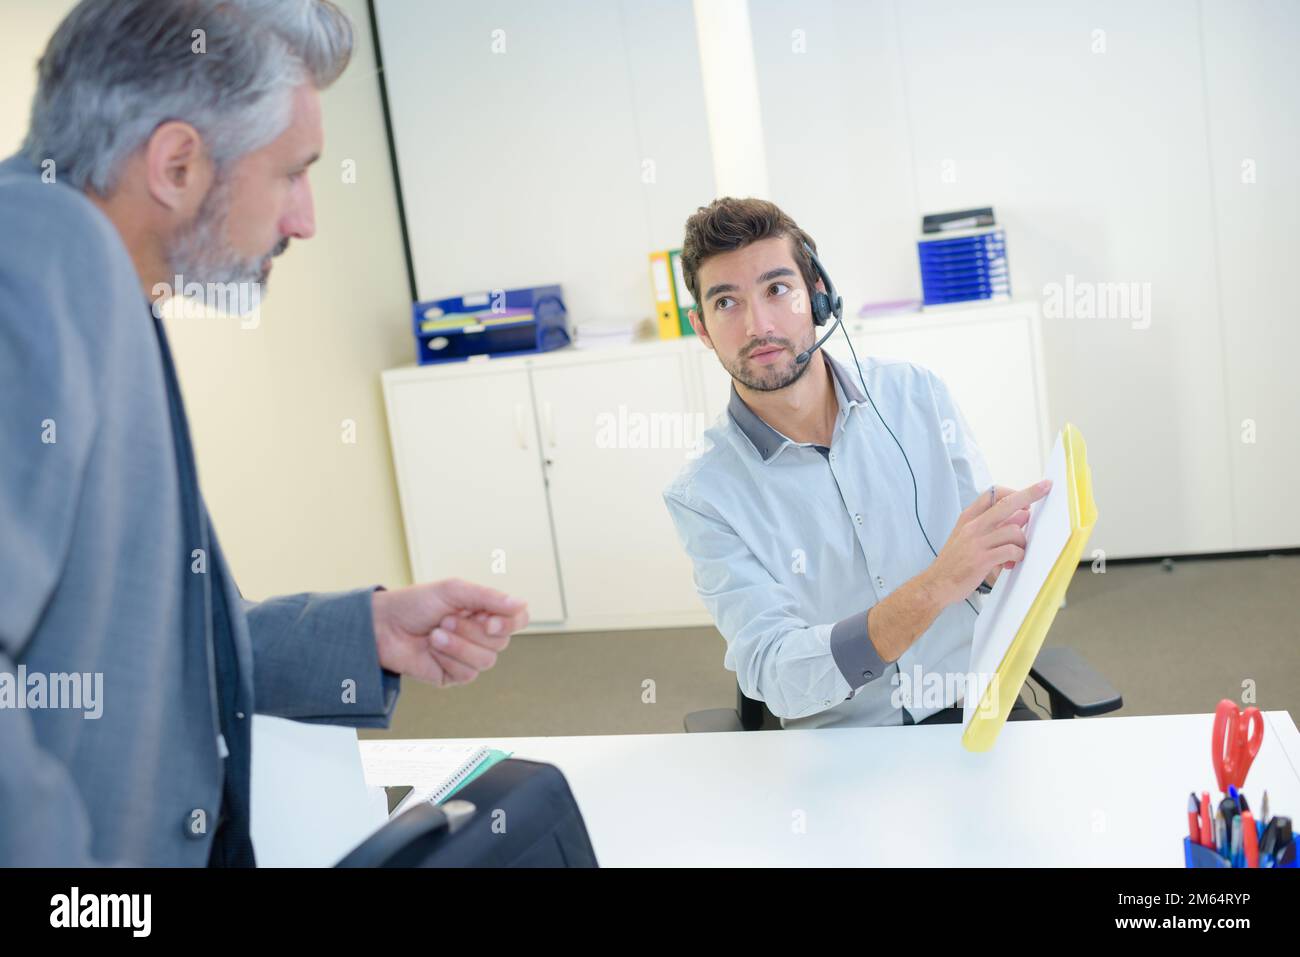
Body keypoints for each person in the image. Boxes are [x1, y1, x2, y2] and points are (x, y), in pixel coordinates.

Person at [0, 0, 528, 866]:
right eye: (293, 173)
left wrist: (372, 629)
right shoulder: (36, 263)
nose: (305, 219)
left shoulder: (94, 278)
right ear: (176, 164)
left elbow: (147, 638)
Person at [663, 197, 1049, 729]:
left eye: (777, 290)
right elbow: (779, 675)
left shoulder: (917, 395)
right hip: (849, 744)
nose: (758, 324)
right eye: (726, 302)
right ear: (702, 328)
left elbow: (979, 574)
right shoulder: (704, 496)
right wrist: (937, 585)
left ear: (818, 295)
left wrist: (1001, 552)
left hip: (974, 708)